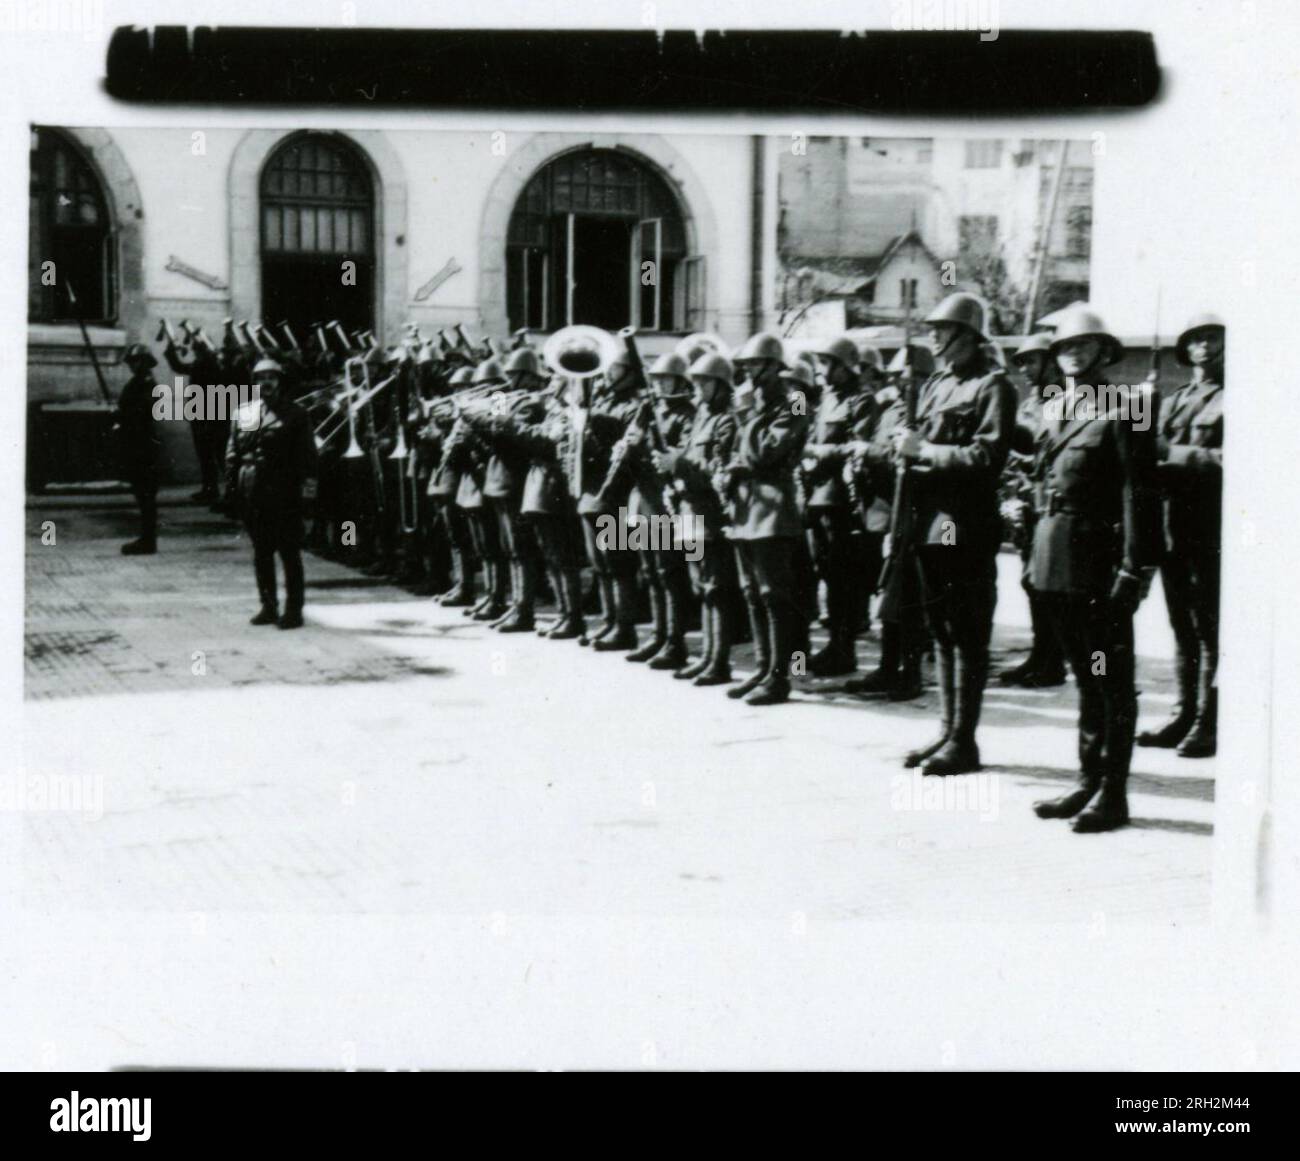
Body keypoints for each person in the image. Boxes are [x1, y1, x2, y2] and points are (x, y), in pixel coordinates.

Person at [1028, 307, 1160, 832]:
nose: (1073, 353)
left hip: (1098, 565)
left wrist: (1135, 568)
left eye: (1085, 345)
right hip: (1054, 559)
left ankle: (1112, 792)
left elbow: (1139, 491)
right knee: (1086, 676)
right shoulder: (1056, 405)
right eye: (1064, 347)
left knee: (1110, 679)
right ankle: (1087, 779)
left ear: (1105, 351)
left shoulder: (1131, 405)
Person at [894, 292, 1017, 775]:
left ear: (969, 337)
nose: (936, 341)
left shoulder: (995, 388)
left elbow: (988, 457)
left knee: (967, 632)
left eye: (944, 332)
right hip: (931, 521)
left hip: (965, 524)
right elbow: (919, 444)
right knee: (942, 630)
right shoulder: (937, 385)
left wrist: (923, 450)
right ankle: (947, 730)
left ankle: (965, 741)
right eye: (934, 332)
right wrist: (902, 448)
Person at [1136, 313, 1224, 759]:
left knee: (1210, 630)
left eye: (1212, 339)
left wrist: (1174, 453)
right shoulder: (1175, 399)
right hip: (1172, 529)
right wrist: (1142, 406)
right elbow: (1140, 448)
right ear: (1185, 350)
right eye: (1195, 340)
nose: (1203, 347)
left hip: (1210, 528)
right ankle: (1184, 712)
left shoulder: (1234, 399)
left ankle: (1210, 722)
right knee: (1182, 628)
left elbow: (1231, 459)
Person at [720, 335, 811, 707]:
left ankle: (779, 677)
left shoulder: (795, 402)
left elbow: (765, 453)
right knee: (753, 594)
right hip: (746, 506)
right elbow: (735, 451)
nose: (749, 373)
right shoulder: (754, 402)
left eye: (756, 365)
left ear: (775, 366)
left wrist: (747, 416)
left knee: (775, 596)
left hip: (773, 507)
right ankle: (762, 668)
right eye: (746, 366)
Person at [842, 341, 934, 701]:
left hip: (914, 512)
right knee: (889, 595)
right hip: (886, 510)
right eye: (897, 377)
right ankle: (887, 665)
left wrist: (873, 452)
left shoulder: (925, 410)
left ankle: (910, 673)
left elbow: (909, 455)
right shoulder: (891, 409)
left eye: (909, 378)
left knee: (909, 597)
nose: (901, 383)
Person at [657, 351, 740, 685]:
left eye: (704, 381)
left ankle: (719, 661)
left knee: (717, 587)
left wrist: (679, 463)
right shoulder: (702, 416)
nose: (698, 388)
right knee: (701, 586)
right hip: (689, 511)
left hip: (710, 515)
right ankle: (706, 656)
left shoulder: (726, 421)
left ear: (720, 385)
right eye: (697, 381)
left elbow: (718, 470)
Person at [802, 336, 880, 677]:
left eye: (829, 363)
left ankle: (843, 649)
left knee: (844, 580)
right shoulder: (825, 400)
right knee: (829, 575)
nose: (823, 370)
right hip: (819, 497)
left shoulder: (862, 401)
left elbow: (858, 446)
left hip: (842, 501)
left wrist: (820, 454)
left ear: (846, 366)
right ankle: (835, 644)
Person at [225, 357, 318, 628]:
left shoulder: (296, 415)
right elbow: (233, 455)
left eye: (271, 378)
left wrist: (308, 501)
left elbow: (309, 462)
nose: (266, 382)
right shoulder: (244, 413)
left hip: (284, 493)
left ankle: (294, 610)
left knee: (289, 553)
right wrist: (232, 493)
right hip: (252, 492)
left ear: (280, 382)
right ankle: (268, 605)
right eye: (260, 378)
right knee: (261, 552)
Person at [998, 333, 1067, 687]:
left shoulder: (1069, 401)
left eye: (1031, 361)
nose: (1024, 369)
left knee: (1050, 587)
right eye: (1021, 362)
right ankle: (1039, 656)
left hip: (1053, 508)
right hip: (1029, 505)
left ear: (1051, 362)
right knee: (1030, 584)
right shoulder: (1029, 405)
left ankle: (1053, 662)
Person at [115, 343, 163, 556]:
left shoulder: (148, 384)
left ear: (144, 362)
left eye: (136, 361)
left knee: (146, 495)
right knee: (141, 493)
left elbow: (142, 412)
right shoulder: (138, 382)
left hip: (143, 444)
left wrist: (122, 417)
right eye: (131, 362)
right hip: (135, 443)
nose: (132, 365)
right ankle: (146, 538)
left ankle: (148, 540)